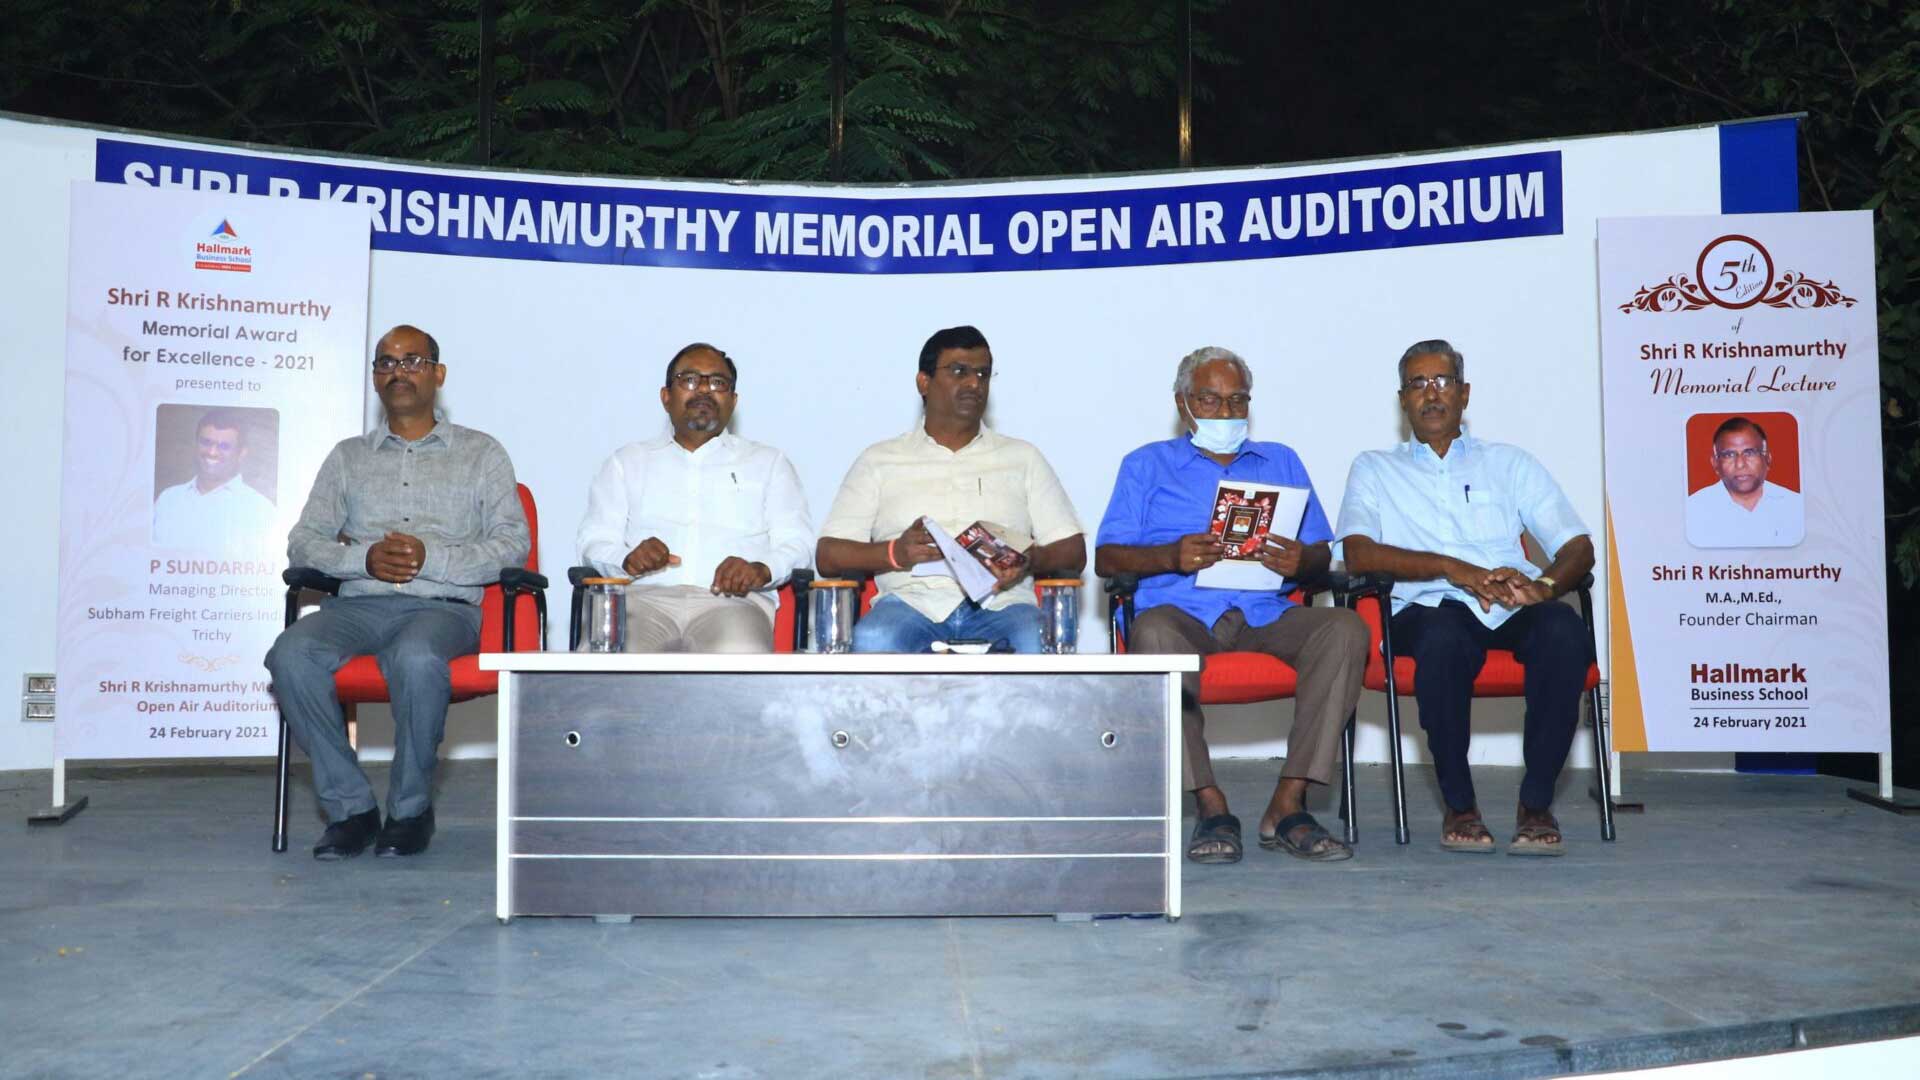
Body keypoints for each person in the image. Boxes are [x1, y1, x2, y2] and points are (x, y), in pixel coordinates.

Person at [264, 325, 530, 860]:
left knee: (414, 656)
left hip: (442, 606)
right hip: (359, 602)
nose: (398, 372)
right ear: (374, 379)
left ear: (438, 373)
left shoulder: (482, 454)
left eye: (412, 361)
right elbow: (303, 543)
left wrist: (434, 558)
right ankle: (352, 810)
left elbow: (512, 545)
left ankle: (409, 811)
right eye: (385, 363)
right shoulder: (347, 457)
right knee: (290, 654)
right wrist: (359, 558)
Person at [1095, 346, 1366, 864]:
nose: (1225, 413)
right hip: (1183, 614)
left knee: (1346, 628)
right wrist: (1170, 555)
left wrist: (1299, 561)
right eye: (1211, 401)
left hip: (1267, 612)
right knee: (1150, 634)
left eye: (1237, 401)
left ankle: (1288, 804)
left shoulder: (1281, 460)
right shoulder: (1147, 464)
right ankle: (1212, 806)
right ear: (1183, 405)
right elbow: (1107, 557)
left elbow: (1321, 553)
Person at [1338, 339, 1594, 856]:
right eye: (1417, 384)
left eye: (1442, 381)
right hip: (1425, 605)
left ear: (1465, 393)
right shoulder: (1374, 468)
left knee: (1565, 630)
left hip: (1509, 600)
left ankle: (1537, 803)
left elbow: (1577, 546)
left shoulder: (1510, 463)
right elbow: (1359, 553)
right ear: (1402, 400)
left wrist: (1541, 586)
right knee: (1443, 640)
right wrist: (1454, 570)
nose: (1431, 395)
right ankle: (1461, 805)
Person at [816, 325, 1083, 653]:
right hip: (910, 605)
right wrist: (894, 553)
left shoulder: (1022, 457)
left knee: (1037, 641)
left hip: (1004, 607)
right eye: (960, 371)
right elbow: (828, 555)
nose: (975, 383)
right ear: (923, 383)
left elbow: (1073, 551)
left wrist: (1029, 559)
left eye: (983, 374)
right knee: (874, 638)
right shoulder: (879, 460)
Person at [575, 343, 813, 651]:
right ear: (666, 397)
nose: (703, 390)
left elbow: (799, 545)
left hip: (734, 605)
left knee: (741, 659)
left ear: (733, 400)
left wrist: (760, 569)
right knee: (608, 664)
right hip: (640, 600)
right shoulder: (626, 462)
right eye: (689, 380)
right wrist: (627, 560)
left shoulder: (769, 463)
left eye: (717, 382)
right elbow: (593, 541)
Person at [151, 407, 277, 549]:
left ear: (241, 453)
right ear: (195, 444)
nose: (212, 452)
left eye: (224, 446)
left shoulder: (260, 509)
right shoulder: (168, 500)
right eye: (206, 442)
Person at [1684, 416, 1804, 548]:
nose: (1740, 464)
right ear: (1715, 464)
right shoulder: (1693, 509)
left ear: (1767, 459)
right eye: (1729, 455)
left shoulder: (1796, 505)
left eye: (1750, 453)